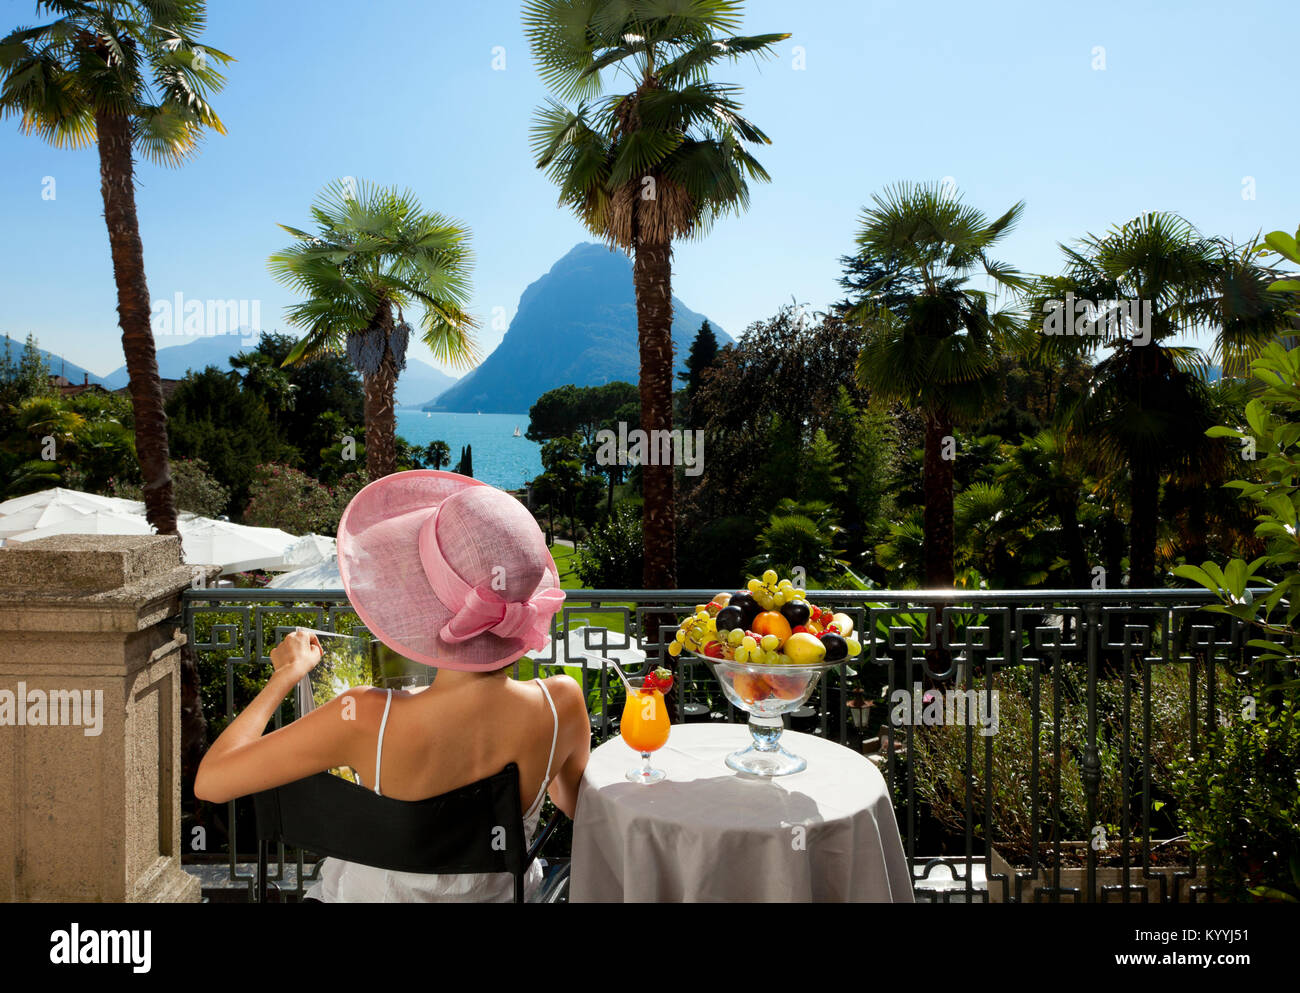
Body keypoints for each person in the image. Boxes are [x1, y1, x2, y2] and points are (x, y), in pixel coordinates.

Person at [195, 470, 589, 901]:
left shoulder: (365, 716)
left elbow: (212, 781)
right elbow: (576, 807)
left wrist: (285, 675)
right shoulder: (561, 703)